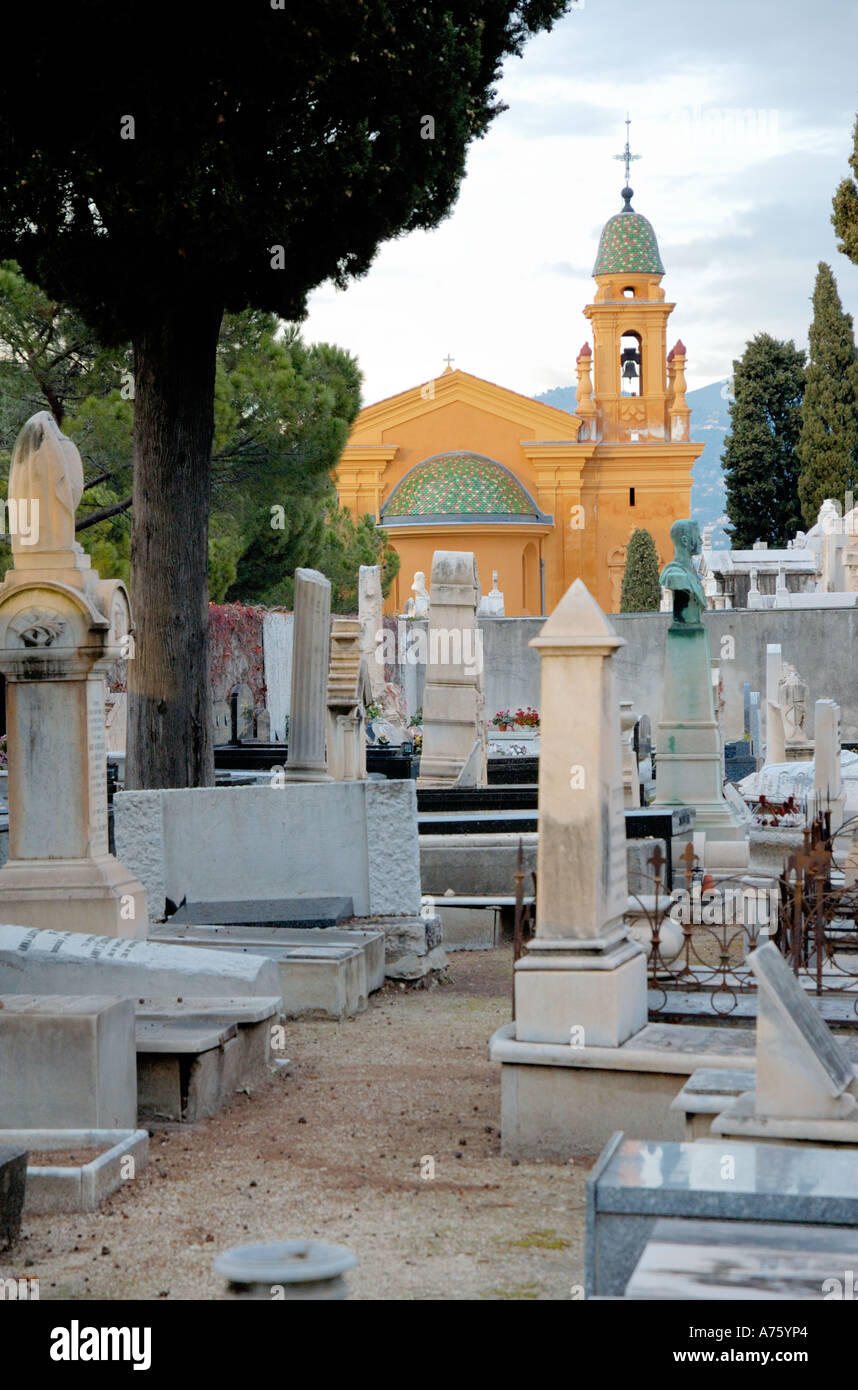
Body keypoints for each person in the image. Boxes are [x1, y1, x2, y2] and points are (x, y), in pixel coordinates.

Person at [659, 518, 706, 626]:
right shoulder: (675, 575)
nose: (701, 541)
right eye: (697, 536)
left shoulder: (691, 574)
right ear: (685, 541)